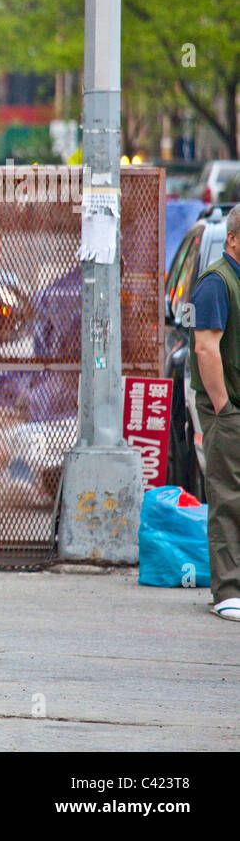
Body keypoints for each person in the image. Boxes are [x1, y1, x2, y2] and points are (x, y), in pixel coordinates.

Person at [187, 204, 240, 622]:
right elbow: (206, 348)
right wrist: (224, 409)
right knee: (228, 496)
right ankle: (229, 591)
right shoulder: (216, 282)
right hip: (229, 409)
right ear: (234, 239)